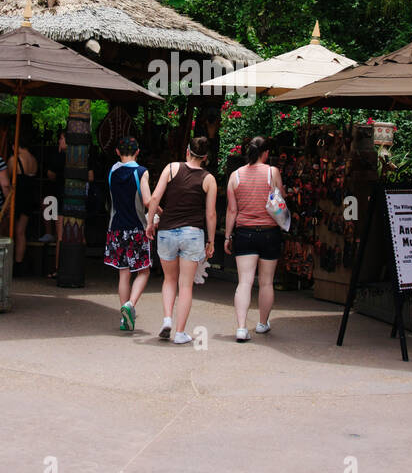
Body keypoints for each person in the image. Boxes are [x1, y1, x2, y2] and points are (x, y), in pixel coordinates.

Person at [144, 136, 217, 345]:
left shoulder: (171, 168)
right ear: (204, 157)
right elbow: (210, 214)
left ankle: (167, 318)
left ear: (187, 151)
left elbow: (155, 198)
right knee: (186, 286)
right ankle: (180, 332)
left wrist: (150, 223)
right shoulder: (208, 179)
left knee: (169, 280)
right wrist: (211, 241)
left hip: (167, 230)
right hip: (193, 233)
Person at [225, 136, 286, 342]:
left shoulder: (235, 176)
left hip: (244, 233)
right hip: (269, 232)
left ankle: (241, 328)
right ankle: (262, 323)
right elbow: (281, 199)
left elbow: (232, 210)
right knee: (267, 283)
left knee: (244, 282)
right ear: (266, 153)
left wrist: (226, 236)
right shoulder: (272, 172)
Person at [104, 137, 151, 332]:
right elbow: (148, 201)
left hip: (115, 229)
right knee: (143, 271)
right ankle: (130, 304)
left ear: (117, 151)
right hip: (137, 228)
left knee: (123, 274)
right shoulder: (141, 172)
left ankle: (124, 320)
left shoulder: (112, 172)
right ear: (138, 151)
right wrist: (161, 211)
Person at [9, 129, 41, 270]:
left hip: (18, 196)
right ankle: (19, 262)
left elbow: (9, 177)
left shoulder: (14, 159)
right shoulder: (33, 160)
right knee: (21, 231)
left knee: (11, 230)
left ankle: (11, 261)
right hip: (29, 196)